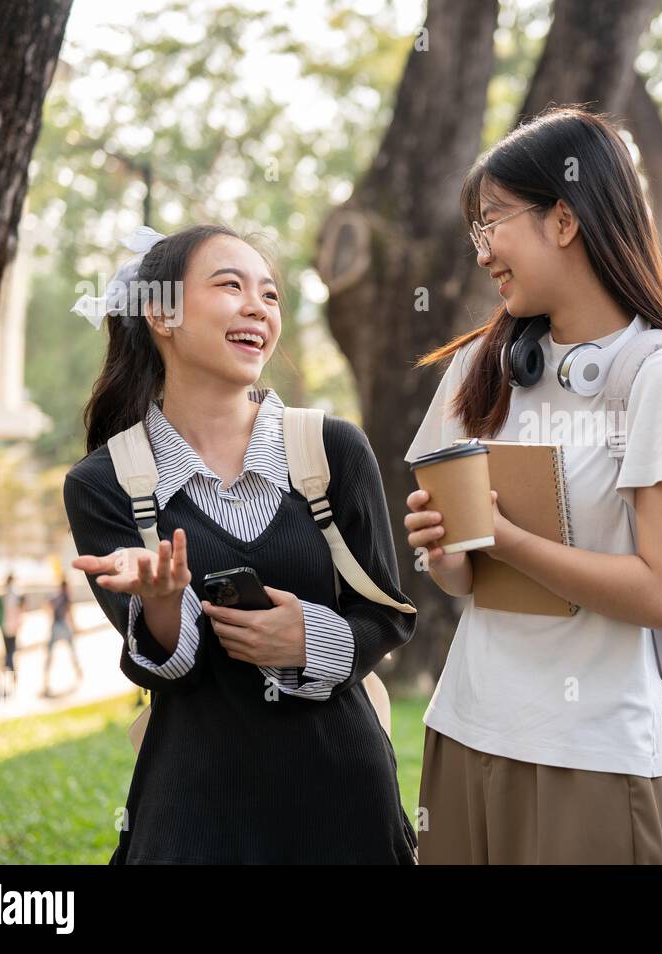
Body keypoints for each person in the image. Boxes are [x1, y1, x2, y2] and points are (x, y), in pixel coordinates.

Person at [403, 107, 662, 864]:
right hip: (467, 731)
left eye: (493, 223)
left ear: (566, 219)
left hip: (593, 754)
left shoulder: (659, 375)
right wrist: (447, 549)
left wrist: (512, 541)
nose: (482, 253)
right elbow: (461, 579)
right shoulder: (478, 368)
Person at [63, 223, 417, 864]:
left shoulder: (333, 448)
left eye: (271, 294)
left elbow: (388, 615)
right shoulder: (103, 481)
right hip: (195, 812)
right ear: (162, 314)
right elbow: (178, 670)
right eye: (231, 286)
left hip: (345, 805)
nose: (259, 306)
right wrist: (165, 604)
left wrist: (310, 638)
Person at [42, 577, 84, 697]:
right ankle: (78, 671)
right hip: (63, 625)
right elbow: (70, 612)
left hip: (55, 625)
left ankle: (45, 678)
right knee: (72, 649)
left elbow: (46, 605)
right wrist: (75, 626)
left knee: (50, 652)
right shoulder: (66, 596)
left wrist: (51, 616)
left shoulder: (55, 596)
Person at [0, 573, 23, 702]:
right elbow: (20, 609)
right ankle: (9, 671)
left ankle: (9, 671)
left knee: (9, 650)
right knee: (10, 651)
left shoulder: (4, 595)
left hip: (5, 626)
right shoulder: (15, 594)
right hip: (12, 627)